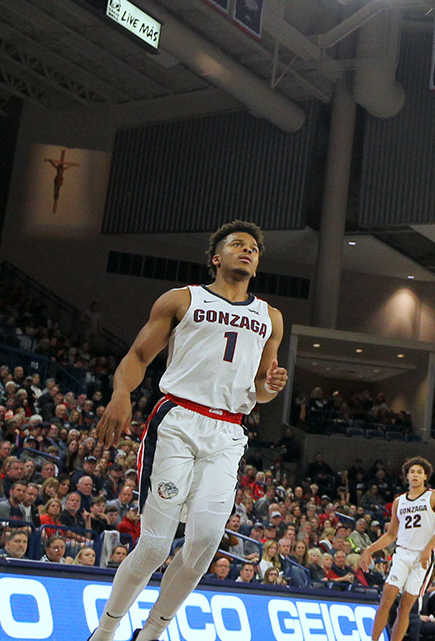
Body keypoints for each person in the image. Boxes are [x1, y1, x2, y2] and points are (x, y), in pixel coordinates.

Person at [85, 220, 288, 641]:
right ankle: (105, 632)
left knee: (206, 543)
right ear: (216, 257)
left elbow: (259, 391)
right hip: (178, 419)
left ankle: (151, 633)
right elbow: (138, 356)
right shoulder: (183, 299)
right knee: (155, 546)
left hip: (228, 430)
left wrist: (270, 386)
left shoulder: (271, 317)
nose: (247, 250)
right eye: (237, 244)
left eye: (253, 248)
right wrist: (121, 394)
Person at [359, 456, 435, 641]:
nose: (415, 475)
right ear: (407, 476)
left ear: (425, 476)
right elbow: (391, 535)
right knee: (386, 600)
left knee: (405, 608)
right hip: (402, 553)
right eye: (412, 472)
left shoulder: (434, 497)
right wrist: (369, 549)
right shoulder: (399, 501)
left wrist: (428, 548)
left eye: (419, 472)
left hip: (422, 558)